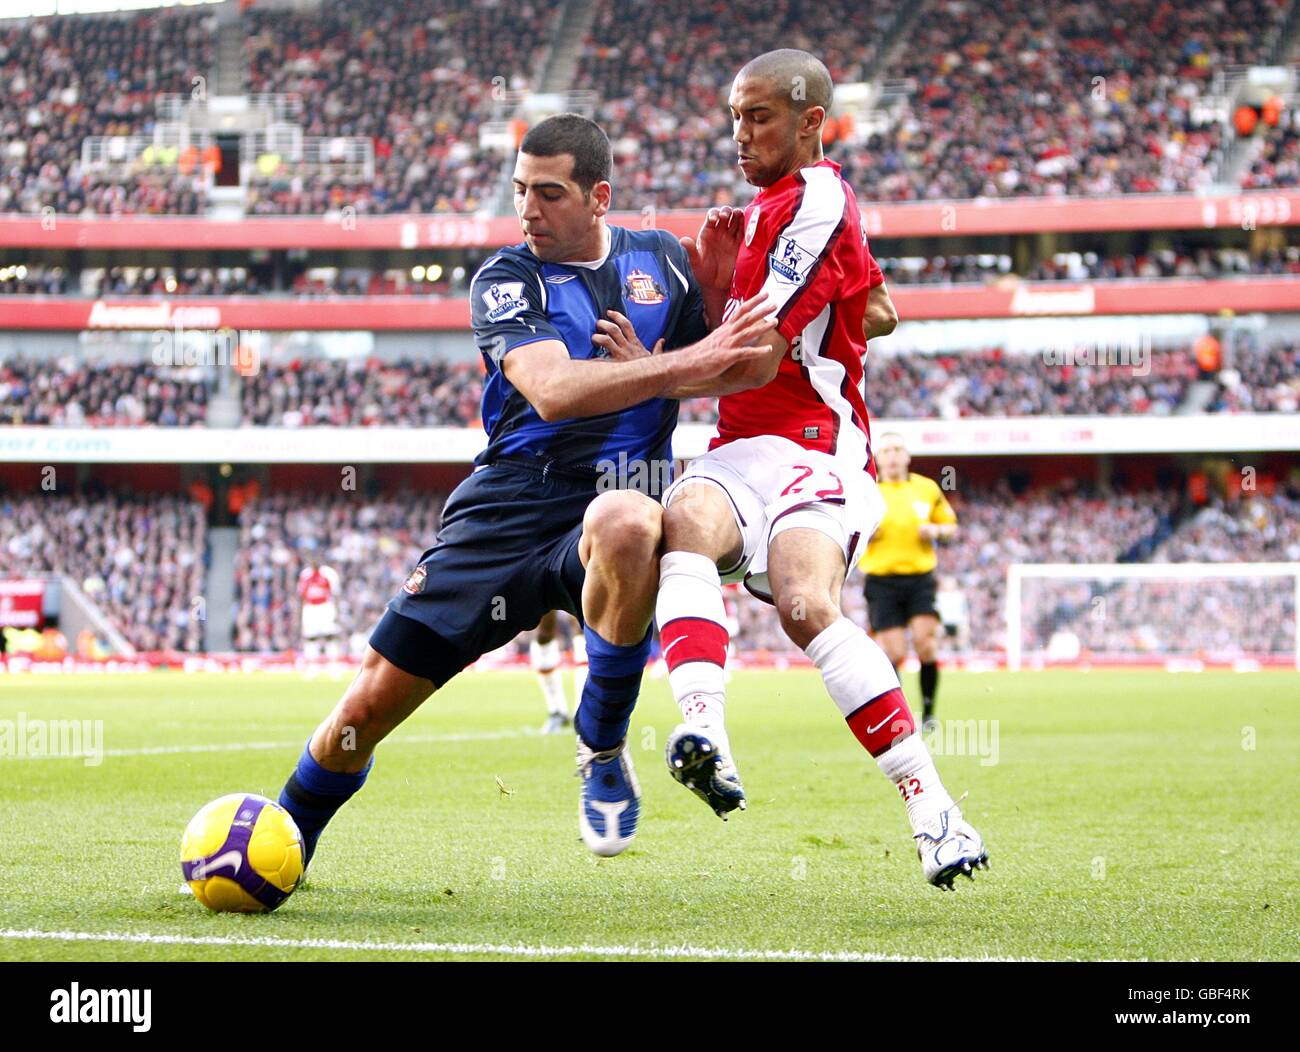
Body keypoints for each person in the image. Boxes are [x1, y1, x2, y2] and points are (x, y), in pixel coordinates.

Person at [272, 113, 777, 866]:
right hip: (510, 503)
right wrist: (678, 365)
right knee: (366, 707)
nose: (528, 209)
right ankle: (283, 835)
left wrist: (727, 294)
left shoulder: (664, 262)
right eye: (520, 191)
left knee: (633, 520)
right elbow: (552, 390)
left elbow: (747, 365)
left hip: (620, 490)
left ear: (599, 197)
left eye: (549, 193)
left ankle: (601, 746)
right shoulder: (505, 280)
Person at [644, 50, 987, 888]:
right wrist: (734, 297)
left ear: (810, 122)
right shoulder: (763, 212)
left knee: (803, 604)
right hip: (738, 448)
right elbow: (879, 306)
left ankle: (933, 810)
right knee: (682, 523)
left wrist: (649, 367)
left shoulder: (821, 197)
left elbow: (758, 359)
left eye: (758, 116)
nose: (740, 133)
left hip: (817, 445)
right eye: (733, 116)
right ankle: (705, 736)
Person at [859, 432, 959, 732]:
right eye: (886, 450)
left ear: (906, 456)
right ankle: (900, 716)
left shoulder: (926, 488)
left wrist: (936, 532)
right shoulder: (867, 491)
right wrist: (866, 534)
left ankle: (928, 712)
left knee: (926, 645)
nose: (891, 455)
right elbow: (849, 528)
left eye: (896, 449)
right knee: (894, 653)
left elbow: (950, 526)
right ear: (877, 457)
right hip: (881, 581)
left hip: (920, 579)